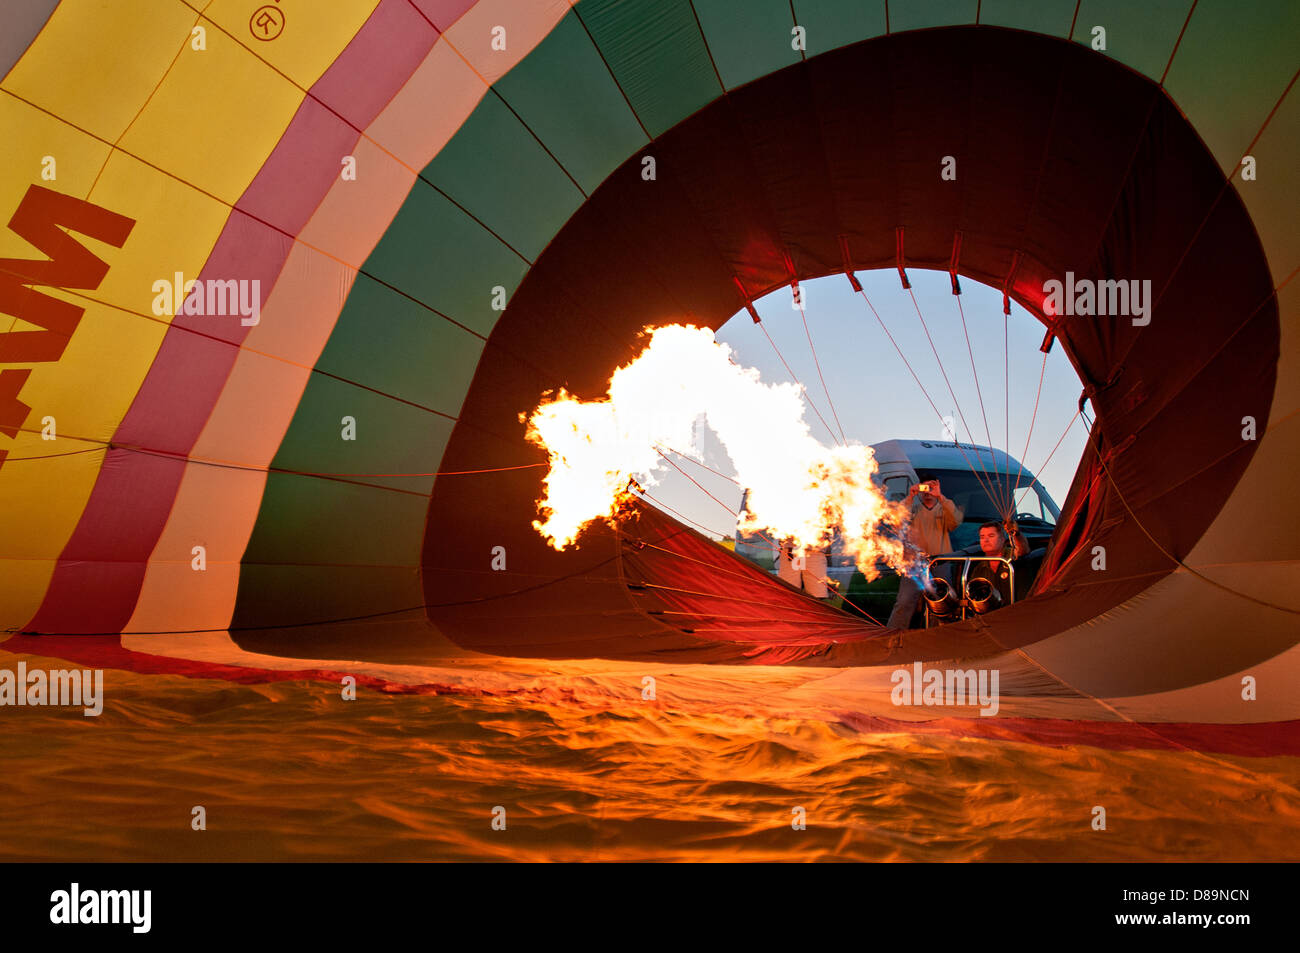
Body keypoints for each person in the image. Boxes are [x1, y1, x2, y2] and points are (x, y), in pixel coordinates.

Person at [887, 479, 962, 628]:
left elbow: (955, 522)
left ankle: (940, 633)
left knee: (940, 601)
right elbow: (896, 522)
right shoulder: (913, 508)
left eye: (931, 488)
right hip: (914, 562)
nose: (928, 492)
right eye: (924, 488)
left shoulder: (944, 507)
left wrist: (940, 496)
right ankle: (892, 634)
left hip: (940, 561)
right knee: (905, 600)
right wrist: (910, 497)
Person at [964, 520, 1029, 611]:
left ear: (1002, 539)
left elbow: (1022, 550)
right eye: (982, 537)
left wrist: (1015, 534)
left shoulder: (1011, 557)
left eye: (991, 536)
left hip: (1016, 613)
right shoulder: (979, 568)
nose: (986, 540)